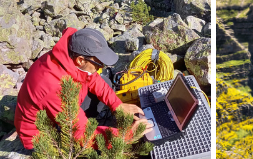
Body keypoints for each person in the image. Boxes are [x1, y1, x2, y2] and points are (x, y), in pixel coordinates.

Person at [14, 28, 153, 150]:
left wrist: (117, 105)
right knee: (84, 148)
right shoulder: (53, 87)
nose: (102, 68)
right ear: (80, 60)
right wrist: (126, 135)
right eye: (99, 63)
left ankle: (87, 122)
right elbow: (82, 135)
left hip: (61, 107)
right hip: (42, 135)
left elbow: (94, 79)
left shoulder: (69, 55)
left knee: (104, 81)